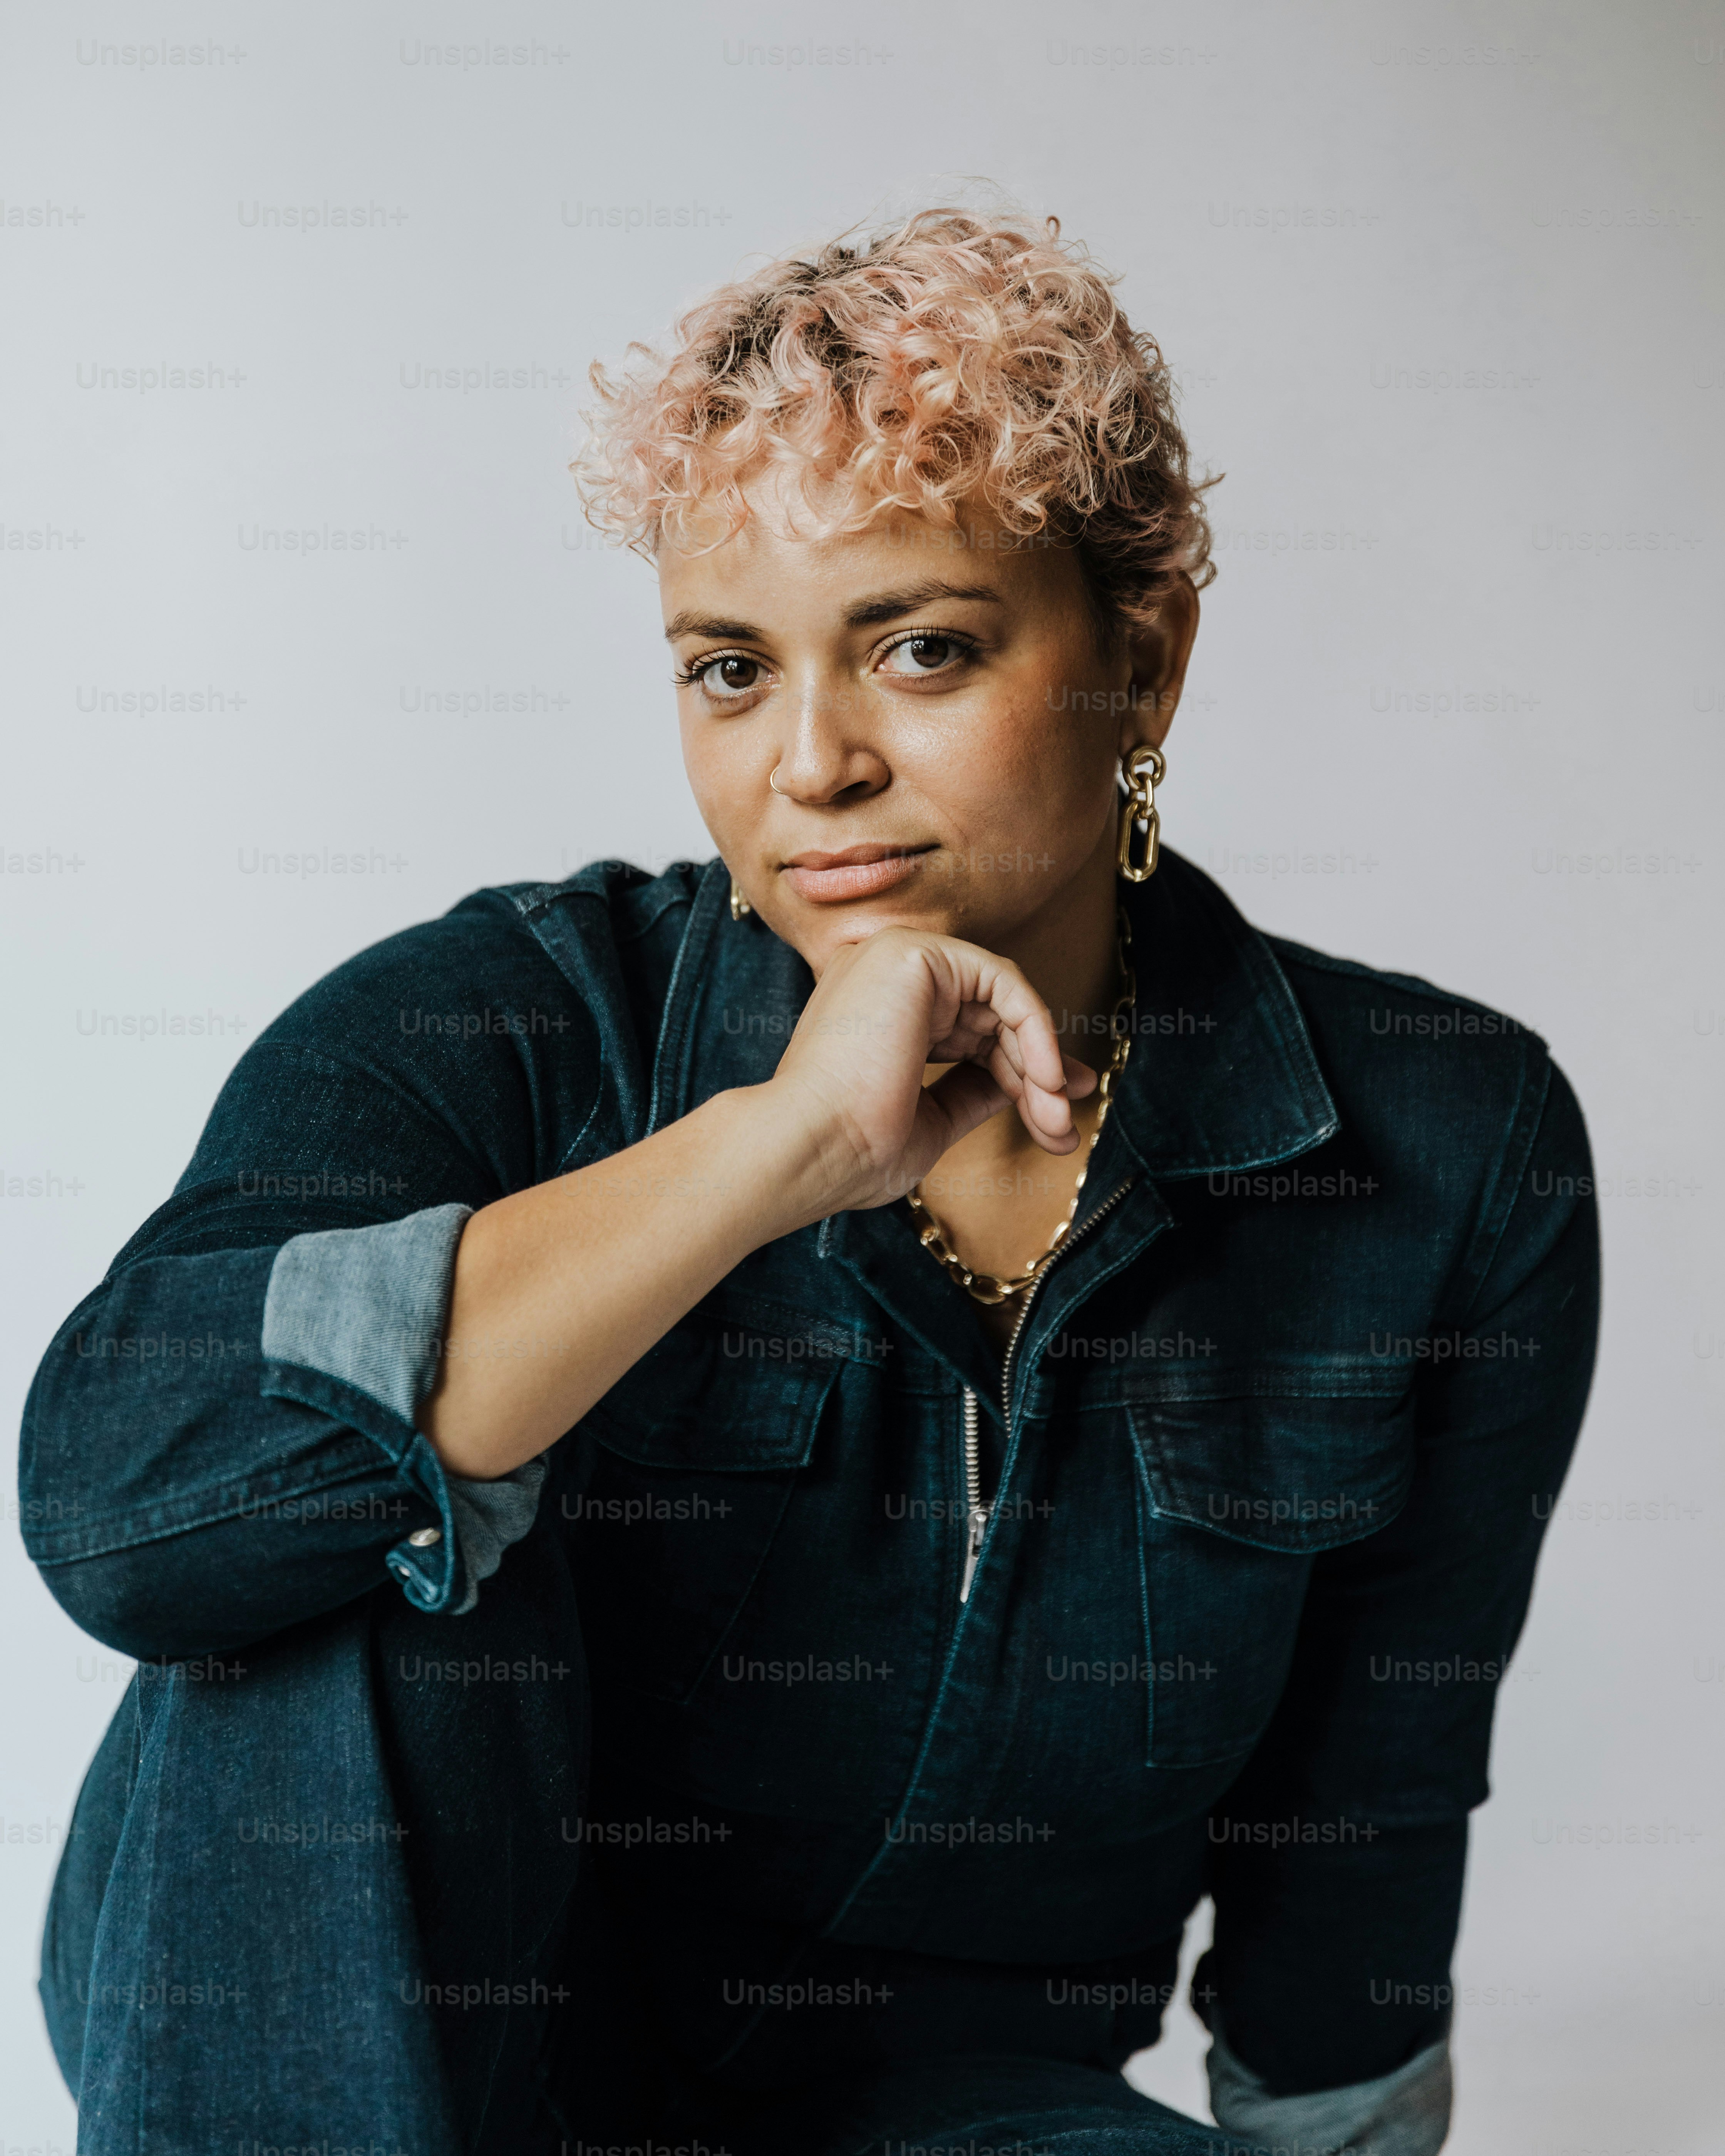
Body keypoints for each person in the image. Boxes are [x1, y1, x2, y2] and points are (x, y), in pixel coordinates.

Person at [22, 208, 1597, 2156]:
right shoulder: (494, 1028)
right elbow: (127, 1504)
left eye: (922, 647)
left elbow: (1364, 1808)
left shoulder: (1443, 1138)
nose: (813, 763)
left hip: (950, 2105)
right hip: (400, 2054)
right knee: (340, 1494)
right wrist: (774, 1150)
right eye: (727, 668)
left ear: (1146, 659)